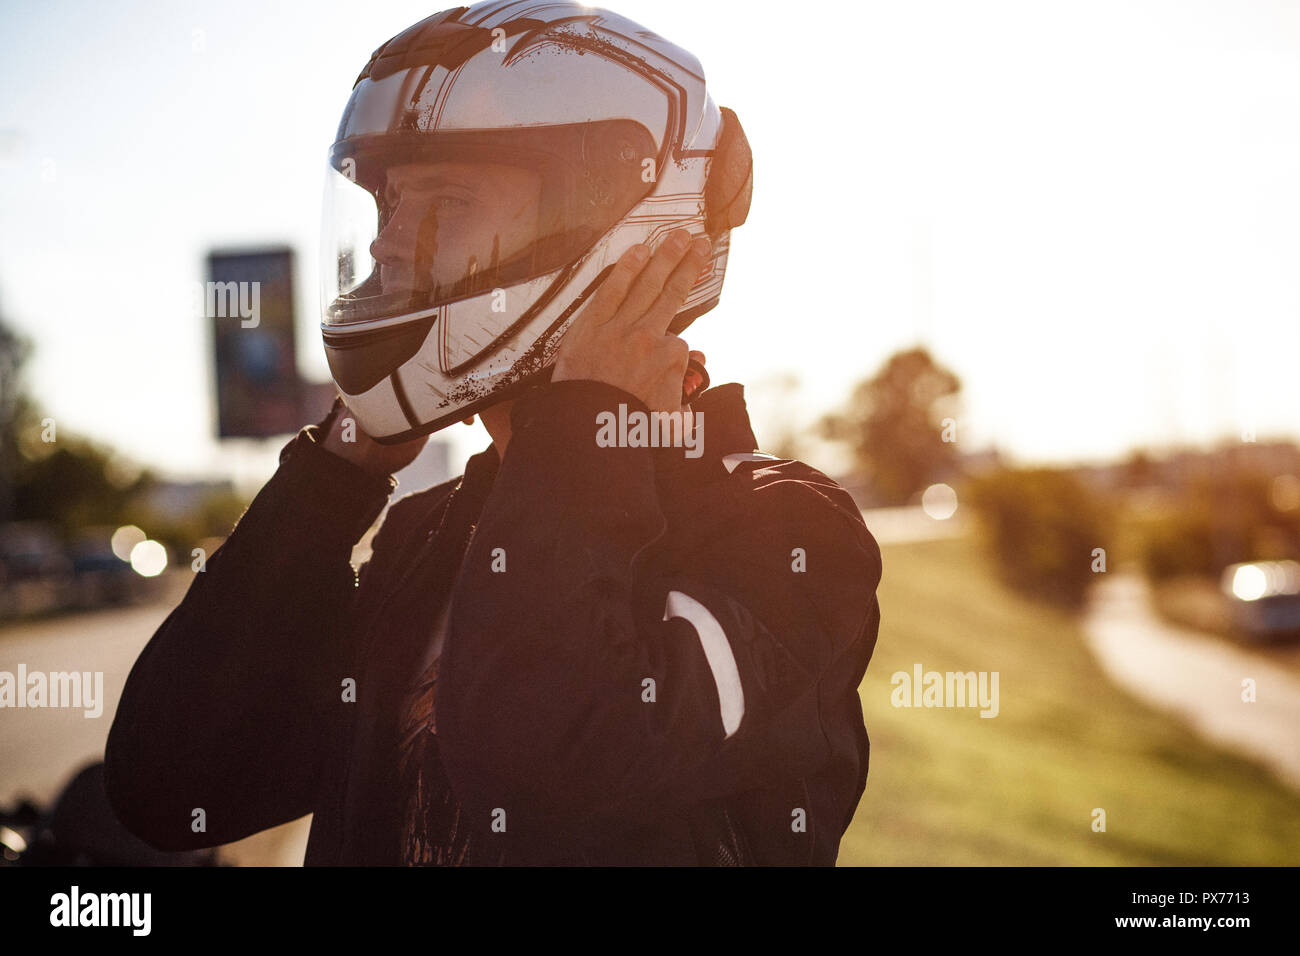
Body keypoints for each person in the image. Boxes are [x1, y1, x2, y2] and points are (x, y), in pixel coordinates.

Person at [105, 1, 883, 866]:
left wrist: (590, 423)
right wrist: (334, 480)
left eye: (448, 201)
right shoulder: (426, 535)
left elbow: (548, 773)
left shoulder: (787, 536)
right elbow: (174, 784)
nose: (391, 249)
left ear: (613, 224)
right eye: (389, 207)